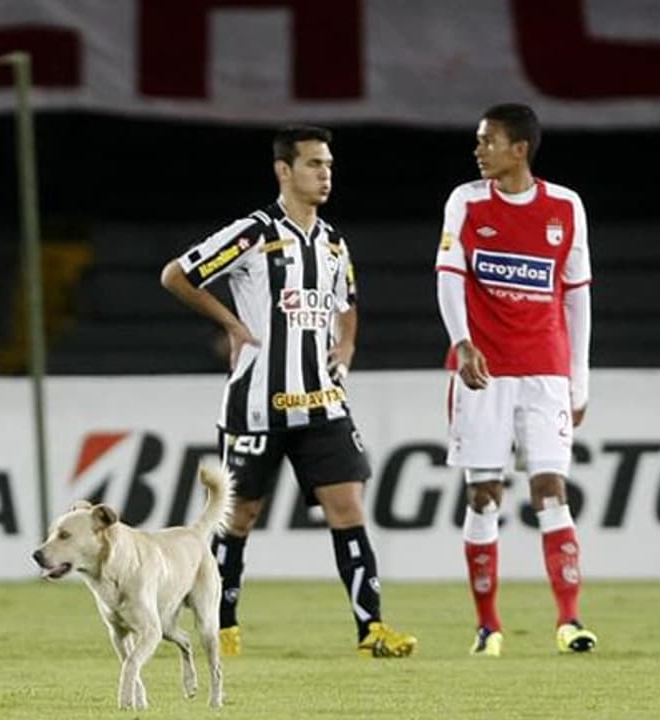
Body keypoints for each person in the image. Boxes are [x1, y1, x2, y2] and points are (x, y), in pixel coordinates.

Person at [160, 126, 416, 659]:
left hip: (323, 402)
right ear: (284, 171)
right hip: (257, 405)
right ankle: (222, 627)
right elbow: (176, 275)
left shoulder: (333, 243)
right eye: (314, 164)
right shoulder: (253, 233)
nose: (325, 174)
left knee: (348, 508)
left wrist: (345, 348)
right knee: (240, 517)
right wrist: (232, 324)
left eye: (329, 165)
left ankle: (372, 630)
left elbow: (346, 304)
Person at [436, 103, 596, 657]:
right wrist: (463, 341)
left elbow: (577, 297)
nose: (478, 150)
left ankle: (570, 621)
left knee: (551, 490)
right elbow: (450, 278)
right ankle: (488, 627)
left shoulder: (565, 207)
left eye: (488, 141)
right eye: (479, 141)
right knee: (483, 495)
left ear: (519, 149)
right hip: (485, 374)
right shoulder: (467, 201)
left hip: (546, 371)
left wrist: (579, 381)